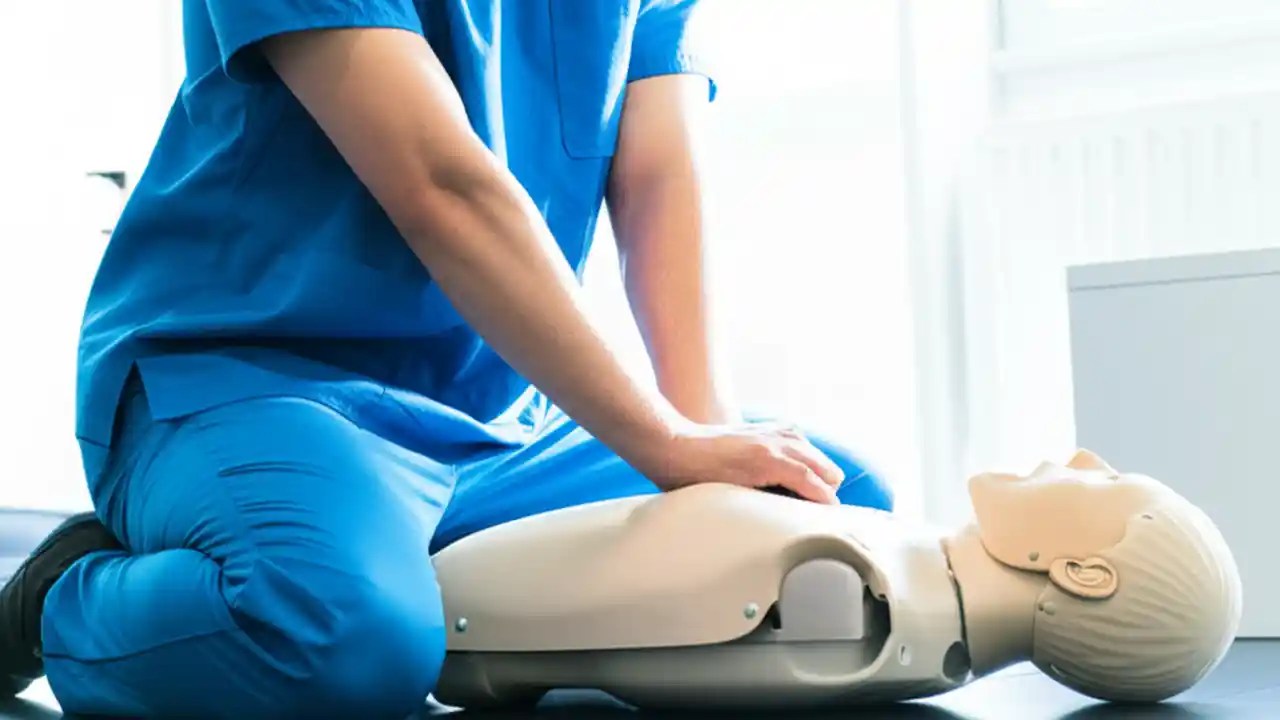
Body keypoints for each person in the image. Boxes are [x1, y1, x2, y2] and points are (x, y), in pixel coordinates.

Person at [0, 1, 893, 717]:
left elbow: (658, 178)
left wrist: (707, 457)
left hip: (495, 415)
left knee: (829, 519)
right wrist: (661, 444)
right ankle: (57, 606)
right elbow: (439, 182)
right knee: (339, 639)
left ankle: (385, 579)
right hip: (252, 382)